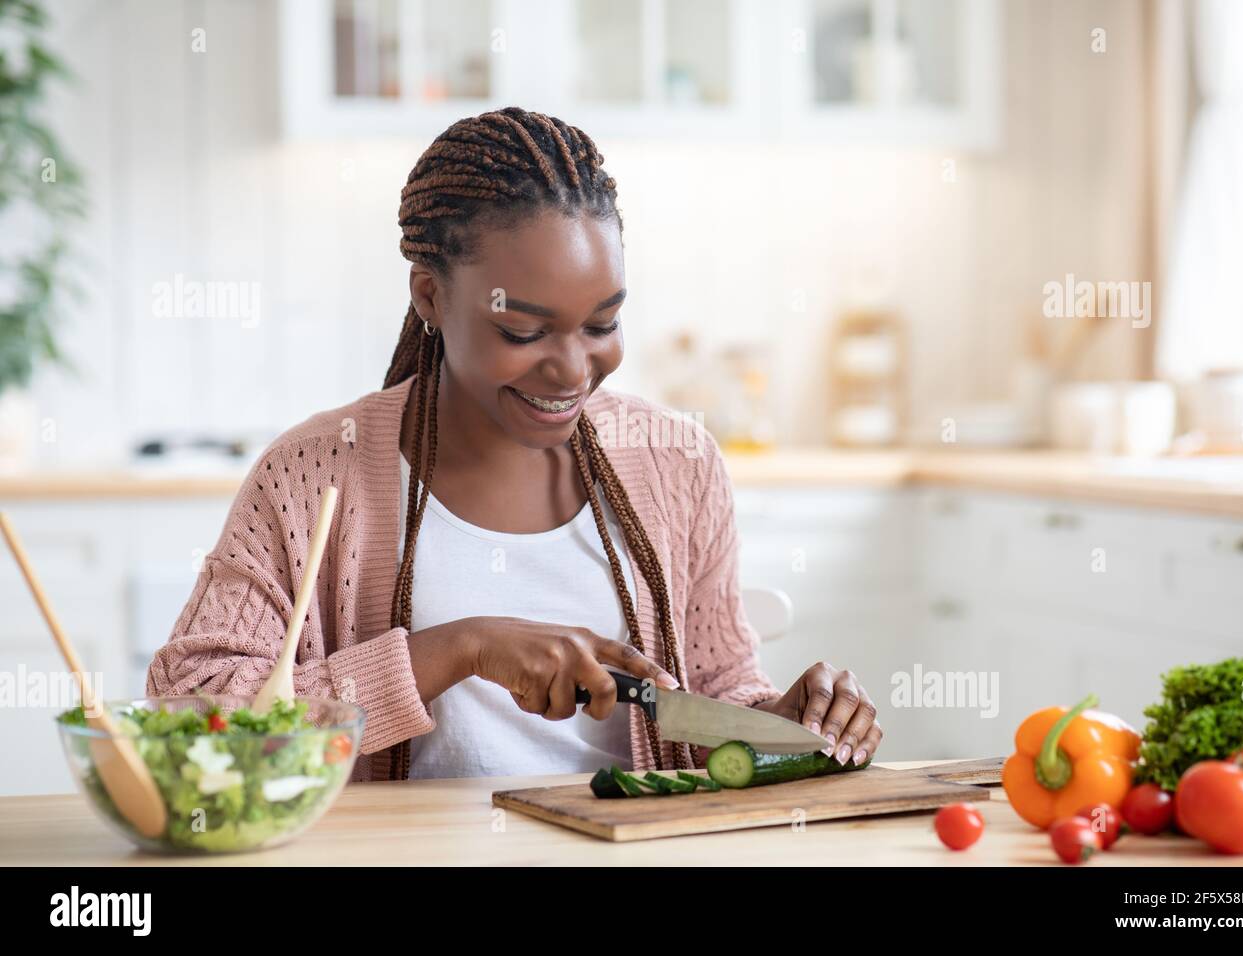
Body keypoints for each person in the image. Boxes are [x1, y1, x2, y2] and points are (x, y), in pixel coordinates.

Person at [148, 107, 883, 782]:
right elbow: (189, 719)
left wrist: (785, 727)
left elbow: (713, 698)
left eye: (601, 325)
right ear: (431, 297)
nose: (571, 369)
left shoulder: (678, 462)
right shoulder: (312, 476)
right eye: (524, 332)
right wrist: (461, 648)